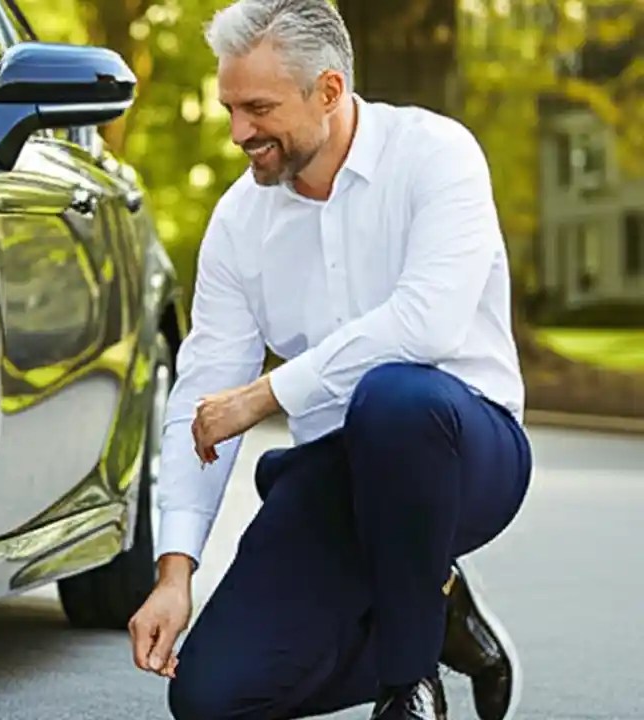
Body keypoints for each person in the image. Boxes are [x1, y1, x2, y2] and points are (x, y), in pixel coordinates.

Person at [126, 1, 532, 718]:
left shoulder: (437, 156)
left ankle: (408, 690)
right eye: (229, 107)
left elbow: (425, 325)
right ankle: (434, 610)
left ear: (330, 91)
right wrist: (174, 571)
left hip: (466, 451)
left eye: (258, 107)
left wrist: (267, 395)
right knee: (211, 696)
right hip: (337, 477)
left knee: (396, 400)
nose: (238, 131)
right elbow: (203, 398)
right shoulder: (239, 223)